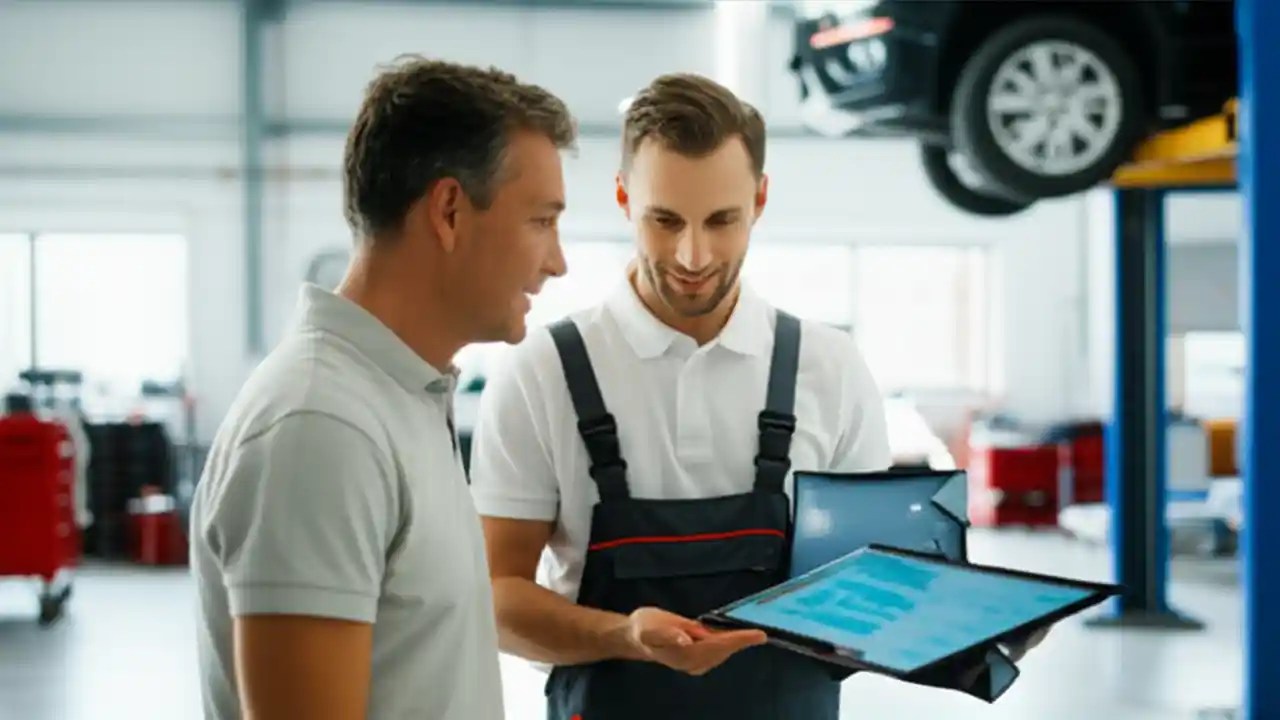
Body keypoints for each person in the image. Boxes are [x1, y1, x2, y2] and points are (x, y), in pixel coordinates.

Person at [469, 72, 891, 720]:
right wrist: (623, 636)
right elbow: (494, 599)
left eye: (723, 220)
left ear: (760, 199)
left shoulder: (830, 369)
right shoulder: (541, 372)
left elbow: (872, 596)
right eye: (664, 221)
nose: (693, 256)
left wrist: (967, 635)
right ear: (622, 196)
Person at [189, 56, 576, 720]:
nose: (557, 261)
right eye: (541, 221)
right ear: (449, 211)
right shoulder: (321, 427)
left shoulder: (399, 399)